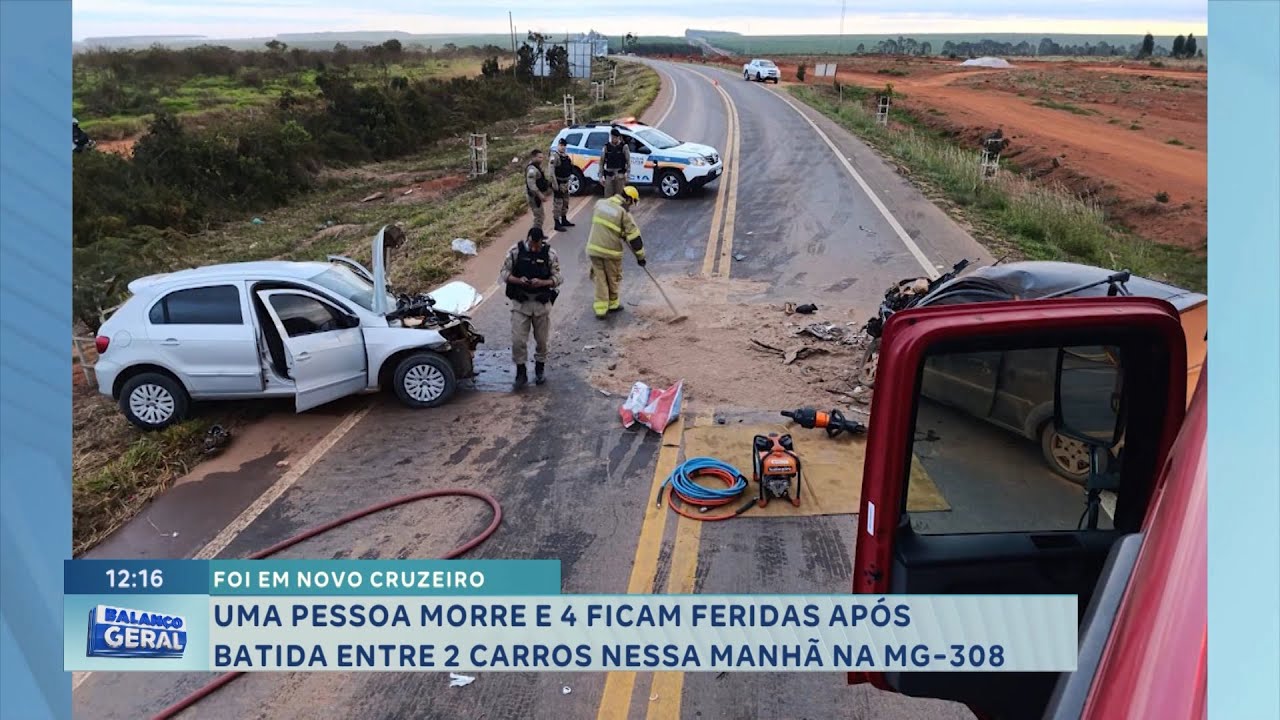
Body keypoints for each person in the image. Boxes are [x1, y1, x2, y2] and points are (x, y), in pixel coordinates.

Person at [500, 227, 562, 387]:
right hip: (521, 304)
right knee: (518, 340)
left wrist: (544, 283)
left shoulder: (550, 254)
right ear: (528, 240)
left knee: (542, 341)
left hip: (541, 304)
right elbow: (504, 274)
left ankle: (539, 369)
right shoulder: (515, 252)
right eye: (532, 244)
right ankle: (521, 372)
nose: (535, 248)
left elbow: (558, 277)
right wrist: (519, 280)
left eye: (538, 245)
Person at [585, 186, 645, 318]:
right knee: (613, 278)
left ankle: (600, 309)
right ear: (628, 199)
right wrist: (641, 257)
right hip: (610, 252)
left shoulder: (600, 203)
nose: (631, 206)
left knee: (600, 278)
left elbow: (607, 224)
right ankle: (612, 304)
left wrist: (620, 231)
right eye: (632, 202)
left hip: (593, 249)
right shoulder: (624, 214)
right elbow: (635, 238)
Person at [550, 138, 576, 231]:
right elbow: (551, 172)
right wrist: (555, 184)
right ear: (558, 146)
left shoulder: (566, 156)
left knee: (565, 202)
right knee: (558, 204)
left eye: (564, 146)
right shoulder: (555, 156)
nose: (563, 147)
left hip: (566, 183)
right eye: (561, 145)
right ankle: (557, 223)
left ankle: (564, 220)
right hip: (559, 183)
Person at [599, 128, 631, 200]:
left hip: (620, 176)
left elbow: (628, 162)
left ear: (618, 137)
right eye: (613, 137)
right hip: (609, 176)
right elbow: (601, 162)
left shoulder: (624, 147)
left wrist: (627, 175)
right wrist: (601, 177)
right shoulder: (607, 147)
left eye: (616, 137)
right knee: (608, 198)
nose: (614, 139)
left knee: (620, 198)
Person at [525, 149, 551, 234]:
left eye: (542, 157)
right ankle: (535, 236)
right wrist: (540, 195)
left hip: (536, 196)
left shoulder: (537, 167)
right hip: (534, 197)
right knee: (539, 217)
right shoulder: (532, 169)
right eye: (539, 157)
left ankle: (539, 235)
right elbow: (531, 185)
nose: (541, 159)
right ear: (534, 157)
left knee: (540, 216)